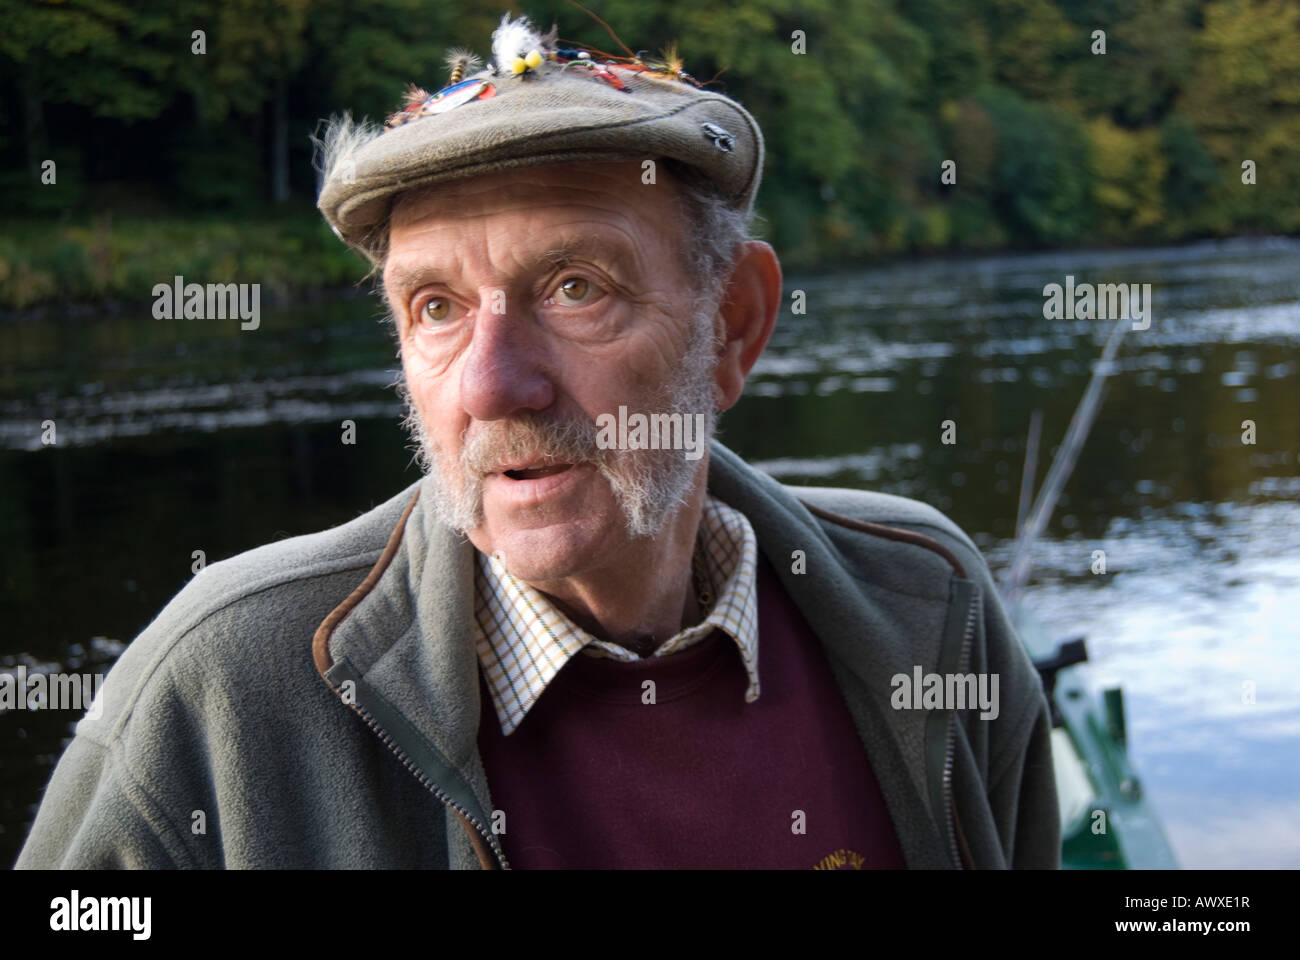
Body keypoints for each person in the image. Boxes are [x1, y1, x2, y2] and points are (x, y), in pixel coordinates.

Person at [17, 15, 1058, 870]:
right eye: (434, 306)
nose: (489, 382)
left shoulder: (928, 607)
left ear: (732, 324)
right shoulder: (216, 693)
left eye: (574, 289)